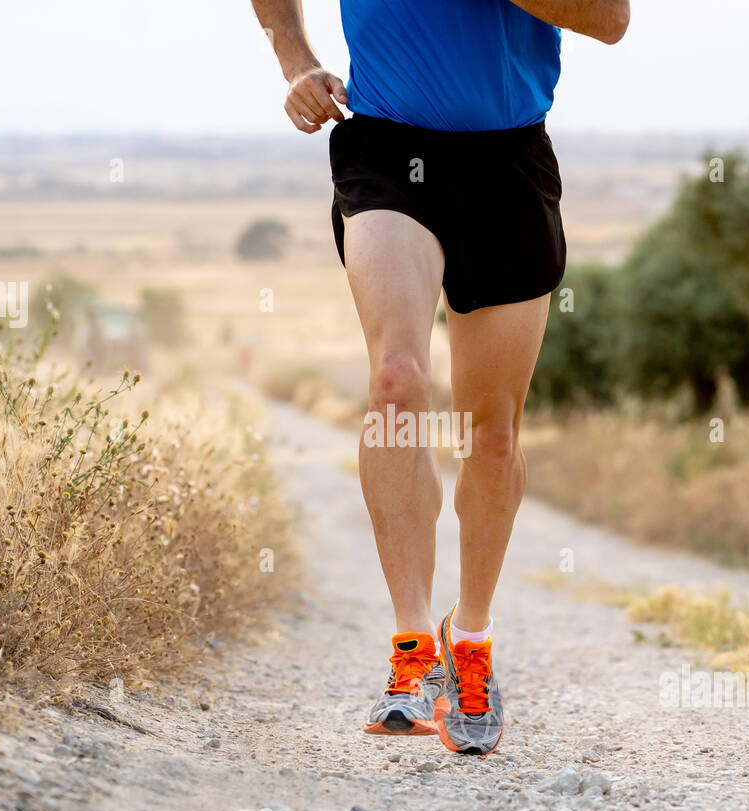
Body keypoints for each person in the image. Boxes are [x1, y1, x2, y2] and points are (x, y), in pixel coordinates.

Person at [251, 0, 629, 754]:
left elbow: (611, 19)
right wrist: (294, 55)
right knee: (395, 379)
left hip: (509, 162)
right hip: (386, 150)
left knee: (492, 436)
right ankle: (412, 649)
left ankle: (473, 641)